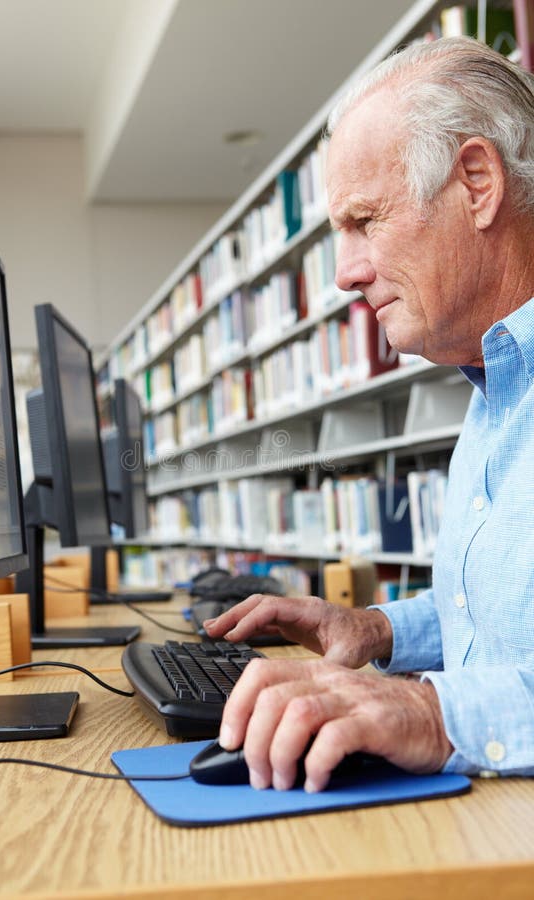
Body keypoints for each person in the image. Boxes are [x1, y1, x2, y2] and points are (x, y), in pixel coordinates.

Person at [204, 36, 534, 793]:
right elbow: (505, 621)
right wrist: (376, 630)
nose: (347, 274)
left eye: (366, 220)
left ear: (478, 183)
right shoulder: (492, 393)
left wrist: (430, 714)